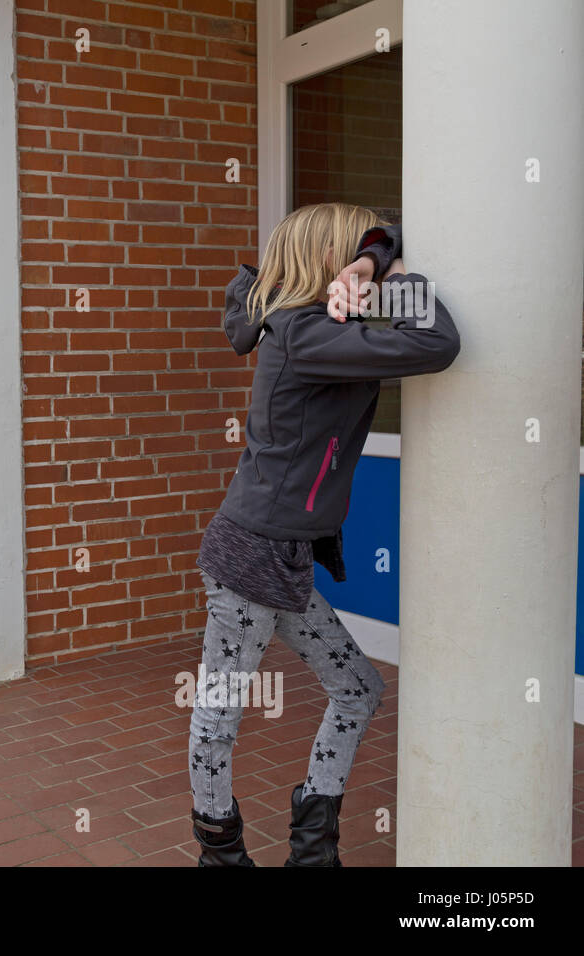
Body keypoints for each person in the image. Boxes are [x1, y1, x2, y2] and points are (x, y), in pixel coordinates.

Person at [188, 203, 461, 866]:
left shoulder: (320, 324)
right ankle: (220, 855)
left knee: (359, 688)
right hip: (250, 555)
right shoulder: (305, 335)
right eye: (355, 255)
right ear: (325, 262)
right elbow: (437, 341)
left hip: (281, 556)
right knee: (219, 713)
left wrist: (369, 259)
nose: (372, 267)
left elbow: (393, 220)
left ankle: (313, 846)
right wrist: (391, 279)